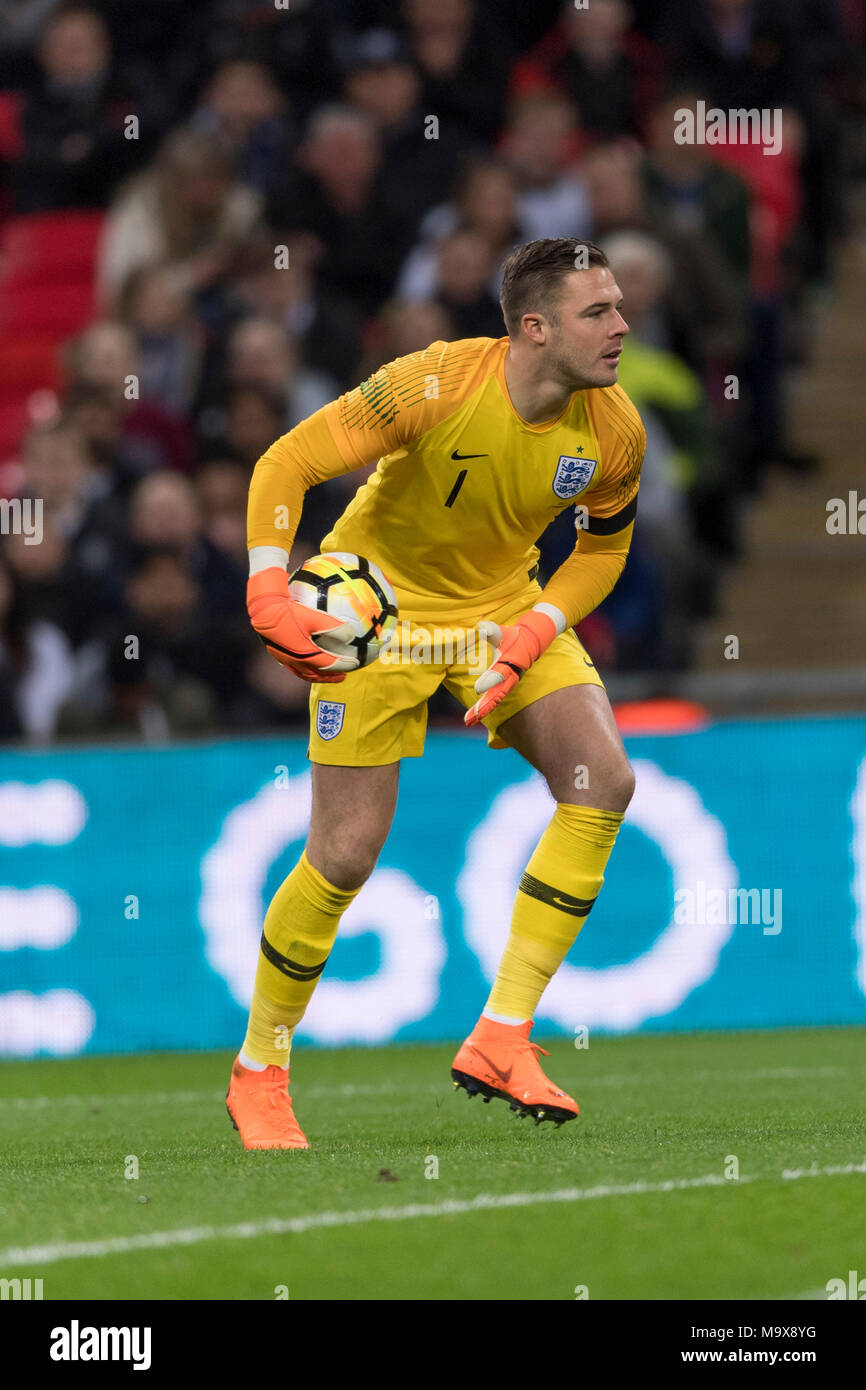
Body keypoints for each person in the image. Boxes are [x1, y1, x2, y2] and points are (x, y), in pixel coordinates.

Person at [227, 238, 644, 1150]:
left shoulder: (614, 430)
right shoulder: (435, 383)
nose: (621, 327)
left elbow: (605, 550)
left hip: (502, 613)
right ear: (533, 328)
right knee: (343, 855)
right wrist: (268, 588)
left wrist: (535, 629)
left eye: (616, 307)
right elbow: (284, 465)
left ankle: (502, 1036)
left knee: (603, 781)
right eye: (597, 312)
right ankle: (260, 1069)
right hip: (377, 612)